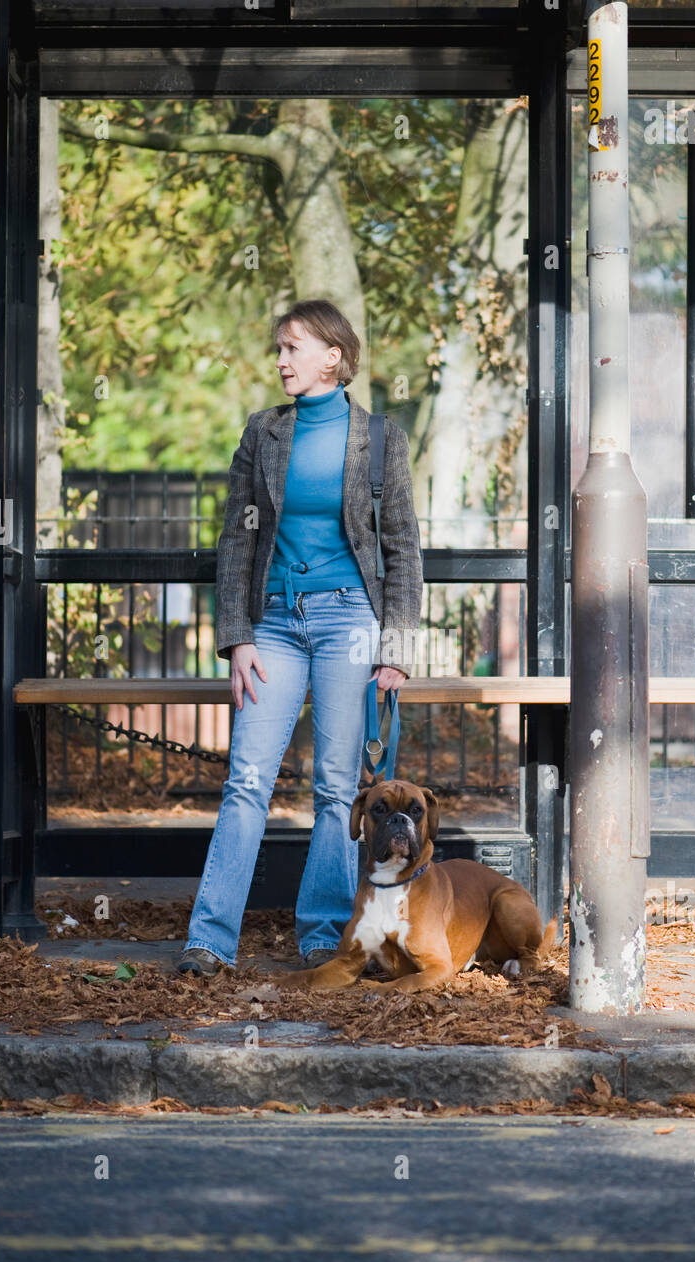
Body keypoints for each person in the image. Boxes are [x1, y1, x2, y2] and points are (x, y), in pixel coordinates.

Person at [175, 299, 423, 976]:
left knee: (338, 788)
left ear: (332, 356)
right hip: (274, 626)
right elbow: (236, 540)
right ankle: (208, 939)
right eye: (279, 349)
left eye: (292, 348)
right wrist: (238, 638)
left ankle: (321, 936)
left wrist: (395, 649)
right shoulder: (264, 433)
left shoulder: (381, 440)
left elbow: (401, 549)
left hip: (350, 621)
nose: (281, 360)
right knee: (247, 779)